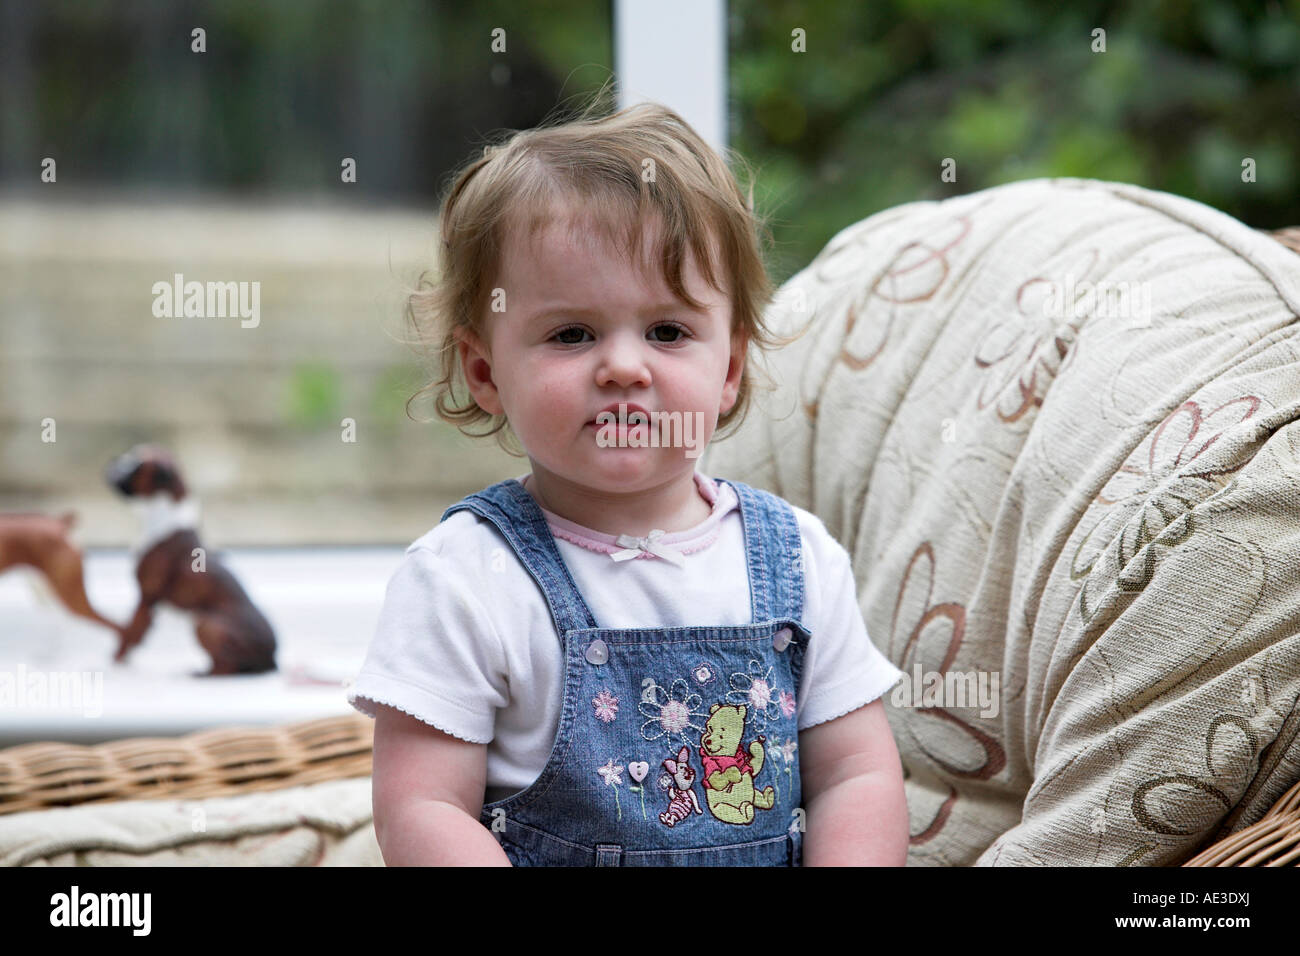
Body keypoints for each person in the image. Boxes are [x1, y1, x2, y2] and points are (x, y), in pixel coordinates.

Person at [348, 91, 908, 866]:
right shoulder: (464, 579)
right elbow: (421, 808)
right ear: (485, 372)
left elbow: (858, 775)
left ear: (730, 372)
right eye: (571, 333)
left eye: (668, 331)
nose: (622, 366)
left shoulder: (800, 561)